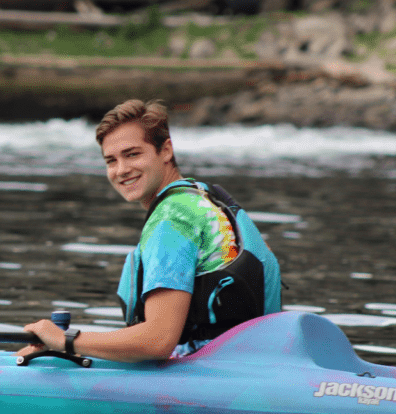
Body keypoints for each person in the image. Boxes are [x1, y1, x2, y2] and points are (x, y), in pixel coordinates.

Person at [19, 99, 281, 362]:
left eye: (132, 154)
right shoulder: (207, 200)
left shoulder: (171, 219)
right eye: (111, 160)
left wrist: (64, 340)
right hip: (257, 363)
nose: (121, 170)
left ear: (166, 150)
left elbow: (158, 341)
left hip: (209, 375)